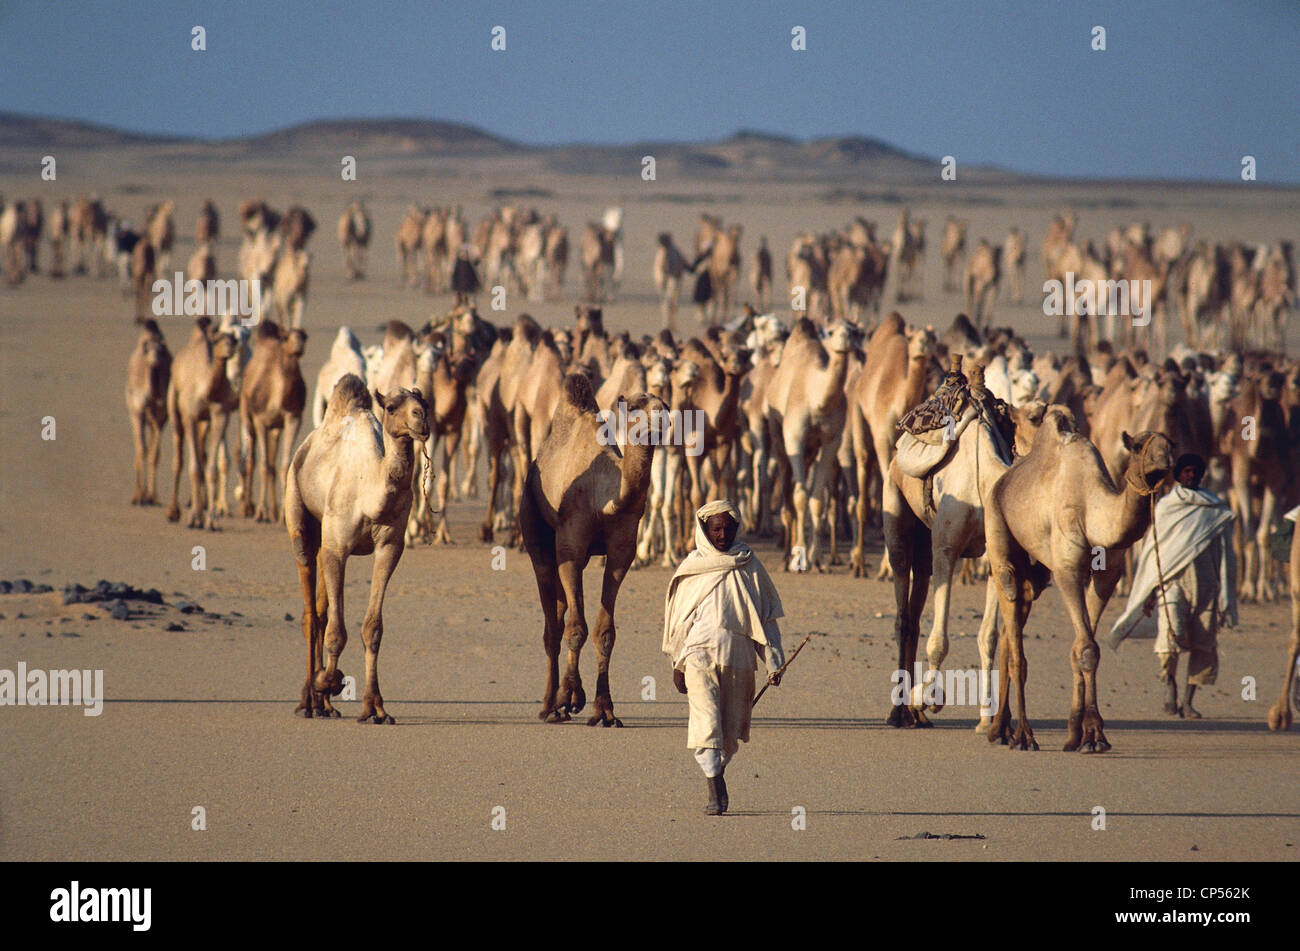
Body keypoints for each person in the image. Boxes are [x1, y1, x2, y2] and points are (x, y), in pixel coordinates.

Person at [662, 500, 785, 816]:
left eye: (728, 528)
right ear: (705, 529)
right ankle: (716, 789)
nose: (722, 535)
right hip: (698, 656)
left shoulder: (749, 564)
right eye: (716, 529)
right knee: (707, 722)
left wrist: (773, 661)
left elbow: (765, 619)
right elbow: (679, 622)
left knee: (728, 736)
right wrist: (677, 664)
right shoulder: (692, 567)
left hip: (739, 660)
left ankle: (716, 771)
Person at [1108, 453, 1237, 719]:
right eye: (1186, 471)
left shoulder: (1216, 509)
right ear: (1177, 475)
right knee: (1171, 636)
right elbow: (1155, 552)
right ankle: (1170, 687)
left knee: (1203, 644)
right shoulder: (1166, 507)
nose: (1190, 476)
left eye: (1195, 472)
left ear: (1201, 474)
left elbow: (1226, 556)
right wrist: (1150, 590)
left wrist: (1226, 594)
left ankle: (1188, 702)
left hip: (1207, 586)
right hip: (1172, 585)